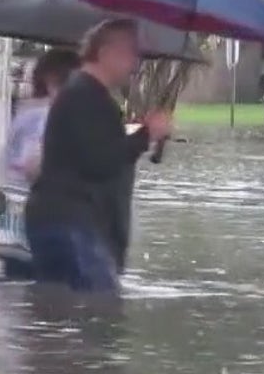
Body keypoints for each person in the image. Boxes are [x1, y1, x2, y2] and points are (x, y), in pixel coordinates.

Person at [25, 18, 172, 293]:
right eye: (130, 54)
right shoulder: (85, 96)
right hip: (72, 222)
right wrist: (146, 135)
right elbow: (100, 162)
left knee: (60, 317)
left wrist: (140, 137)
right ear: (105, 53)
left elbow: (97, 152)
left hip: (60, 220)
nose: (135, 64)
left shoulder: (85, 96)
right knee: (99, 314)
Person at [2, 48, 81, 189]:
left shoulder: (28, 112)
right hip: (31, 195)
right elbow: (33, 166)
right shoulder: (46, 116)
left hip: (11, 190)